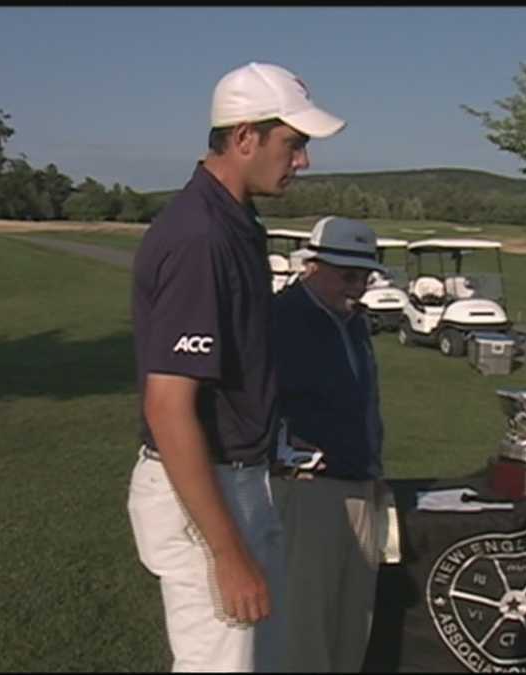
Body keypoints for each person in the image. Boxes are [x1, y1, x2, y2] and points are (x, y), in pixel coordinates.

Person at [127, 62, 345, 672]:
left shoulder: (235, 222)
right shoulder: (201, 237)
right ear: (245, 136)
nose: (303, 161)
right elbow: (167, 407)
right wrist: (227, 552)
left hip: (239, 477)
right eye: (293, 144)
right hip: (207, 490)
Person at [269, 215, 389, 672]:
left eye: (365, 277)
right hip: (306, 490)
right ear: (312, 267)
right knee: (306, 623)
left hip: (360, 481)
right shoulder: (280, 318)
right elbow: (244, 399)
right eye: (347, 276)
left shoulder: (354, 322)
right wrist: (278, 446)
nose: (357, 287)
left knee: (353, 618)